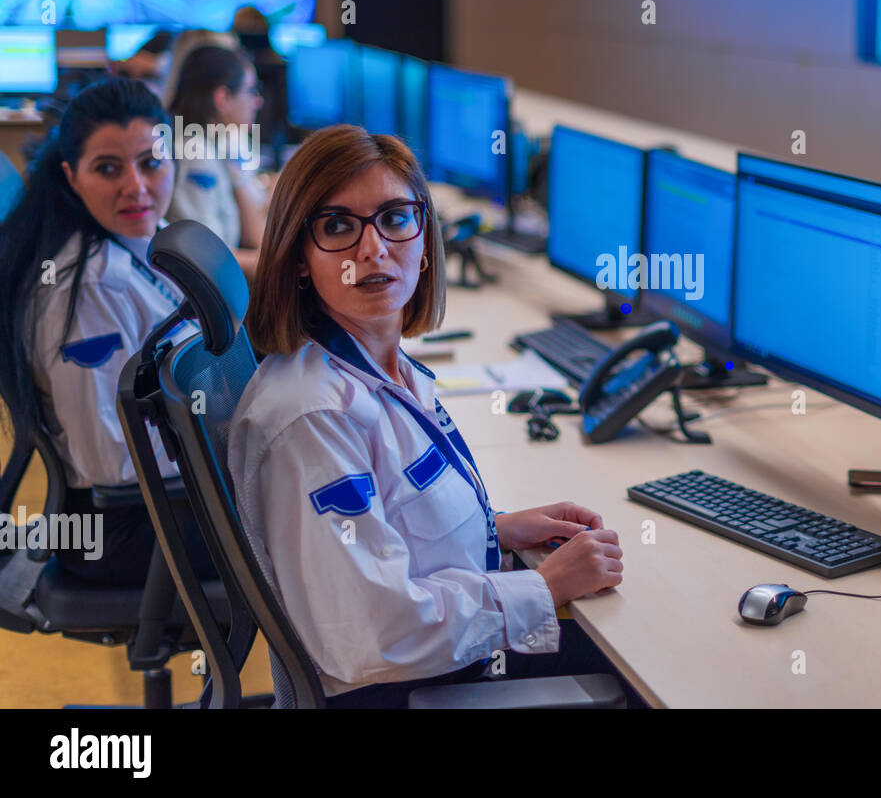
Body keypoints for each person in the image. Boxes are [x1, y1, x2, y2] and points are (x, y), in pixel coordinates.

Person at [228, 126, 628, 707]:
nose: (373, 249)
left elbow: (390, 518)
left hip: (434, 664)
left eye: (394, 218)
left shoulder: (377, 365)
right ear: (296, 259)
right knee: (655, 669)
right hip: (404, 688)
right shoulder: (313, 417)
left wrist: (497, 527)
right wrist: (543, 585)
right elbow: (376, 633)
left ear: (424, 239)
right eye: (338, 226)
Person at [0, 78, 215, 585]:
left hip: (161, 503)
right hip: (123, 526)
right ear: (72, 176)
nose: (136, 187)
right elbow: (111, 461)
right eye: (108, 169)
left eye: (151, 163)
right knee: (311, 536)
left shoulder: (142, 243)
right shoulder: (90, 289)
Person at [166, 45, 268, 278]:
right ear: (222, 98)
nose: (257, 101)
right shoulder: (195, 156)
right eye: (251, 90)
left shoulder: (213, 142)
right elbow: (207, 259)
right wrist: (284, 265)